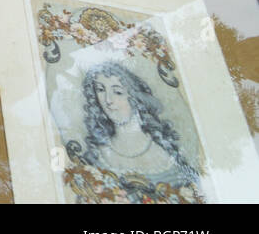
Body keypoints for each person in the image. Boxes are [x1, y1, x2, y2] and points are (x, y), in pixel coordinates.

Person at [70, 61, 204, 203]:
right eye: (100, 90)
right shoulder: (95, 158)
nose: (108, 100)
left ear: (135, 97)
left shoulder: (168, 155)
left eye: (118, 92)